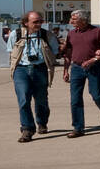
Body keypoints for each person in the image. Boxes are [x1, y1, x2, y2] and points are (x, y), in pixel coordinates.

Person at [7, 11, 61, 142]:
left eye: (40, 21)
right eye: (35, 22)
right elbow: (10, 51)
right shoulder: (16, 34)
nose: (39, 24)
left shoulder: (47, 35)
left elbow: (55, 51)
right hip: (21, 69)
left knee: (41, 99)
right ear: (26, 22)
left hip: (40, 68)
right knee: (23, 98)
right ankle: (27, 129)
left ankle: (42, 122)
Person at [61, 9, 100, 137]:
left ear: (83, 20)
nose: (71, 21)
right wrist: (65, 70)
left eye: (74, 19)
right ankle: (78, 128)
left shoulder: (97, 31)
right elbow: (68, 54)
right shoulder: (71, 34)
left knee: (96, 95)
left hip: (93, 67)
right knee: (75, 99)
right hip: (76, 68)